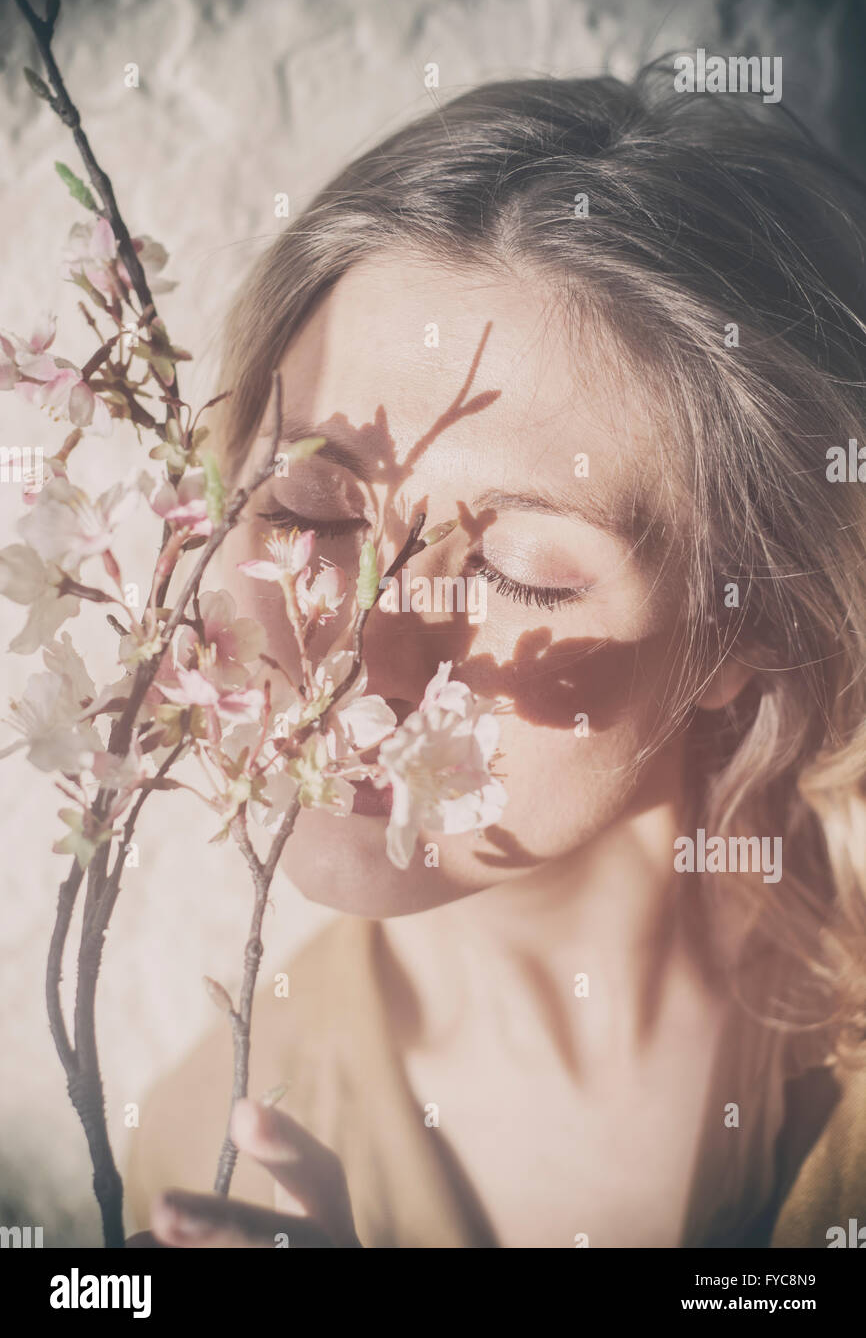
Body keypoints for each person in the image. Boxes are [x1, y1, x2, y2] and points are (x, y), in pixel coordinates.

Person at [125, 64, 866, 1249]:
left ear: (748, 624)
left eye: (517, 566)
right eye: (310, 514)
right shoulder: (212, 1158)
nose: (363, 655)